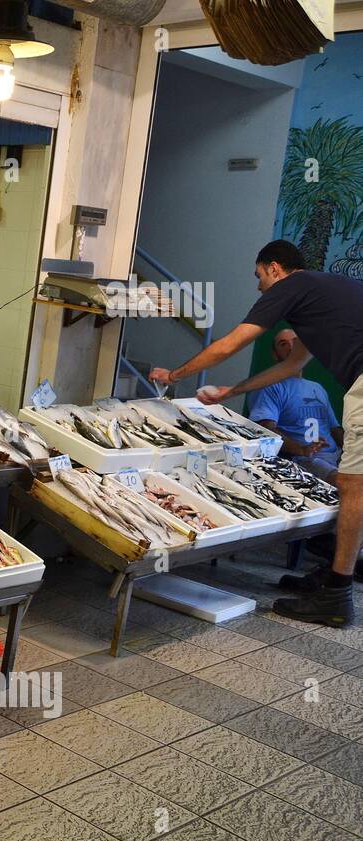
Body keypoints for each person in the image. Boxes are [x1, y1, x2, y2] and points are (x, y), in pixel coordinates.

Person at [149, 239, 363, 627]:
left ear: (275, 268)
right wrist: (232, 392)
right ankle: (340, 570)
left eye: (259, 276)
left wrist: (174, 375)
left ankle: (337, 594)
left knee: (353, 485)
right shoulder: (323, 294)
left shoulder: (290, 288)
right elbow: (291, 365)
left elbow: (232, 342)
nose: (258, 286)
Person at [246, 329, 343, 483]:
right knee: (351, 486)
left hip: (338, 456)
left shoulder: (317, 388)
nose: (291, 347)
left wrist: (351, 450)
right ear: (275, 354)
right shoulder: (271, 386)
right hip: (305, 460)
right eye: (283, 344)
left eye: (296, 342)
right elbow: (265, 430)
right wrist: (302, 449)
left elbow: (335, 428)